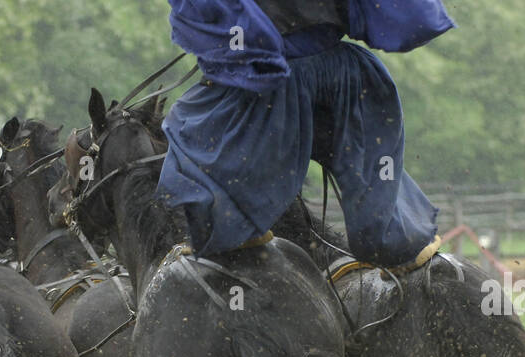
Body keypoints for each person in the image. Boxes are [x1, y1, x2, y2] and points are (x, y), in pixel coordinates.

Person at [157, 0, 454, 272]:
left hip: (272, 87)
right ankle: (400, 245)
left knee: (185, 126)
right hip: (348, 78)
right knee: (377, 168)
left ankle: (227, 235)